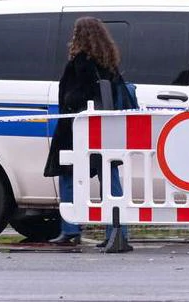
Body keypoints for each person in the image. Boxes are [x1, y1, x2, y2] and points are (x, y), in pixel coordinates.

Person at [44, 17, 129, 249]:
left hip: (77, 128)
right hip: (106, 126)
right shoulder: (109, 62)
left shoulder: (80, 62)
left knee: (69, 175)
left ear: (80, 36)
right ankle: (118, 229)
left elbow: (74, 95)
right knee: (109, 178)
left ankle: (70, 228)